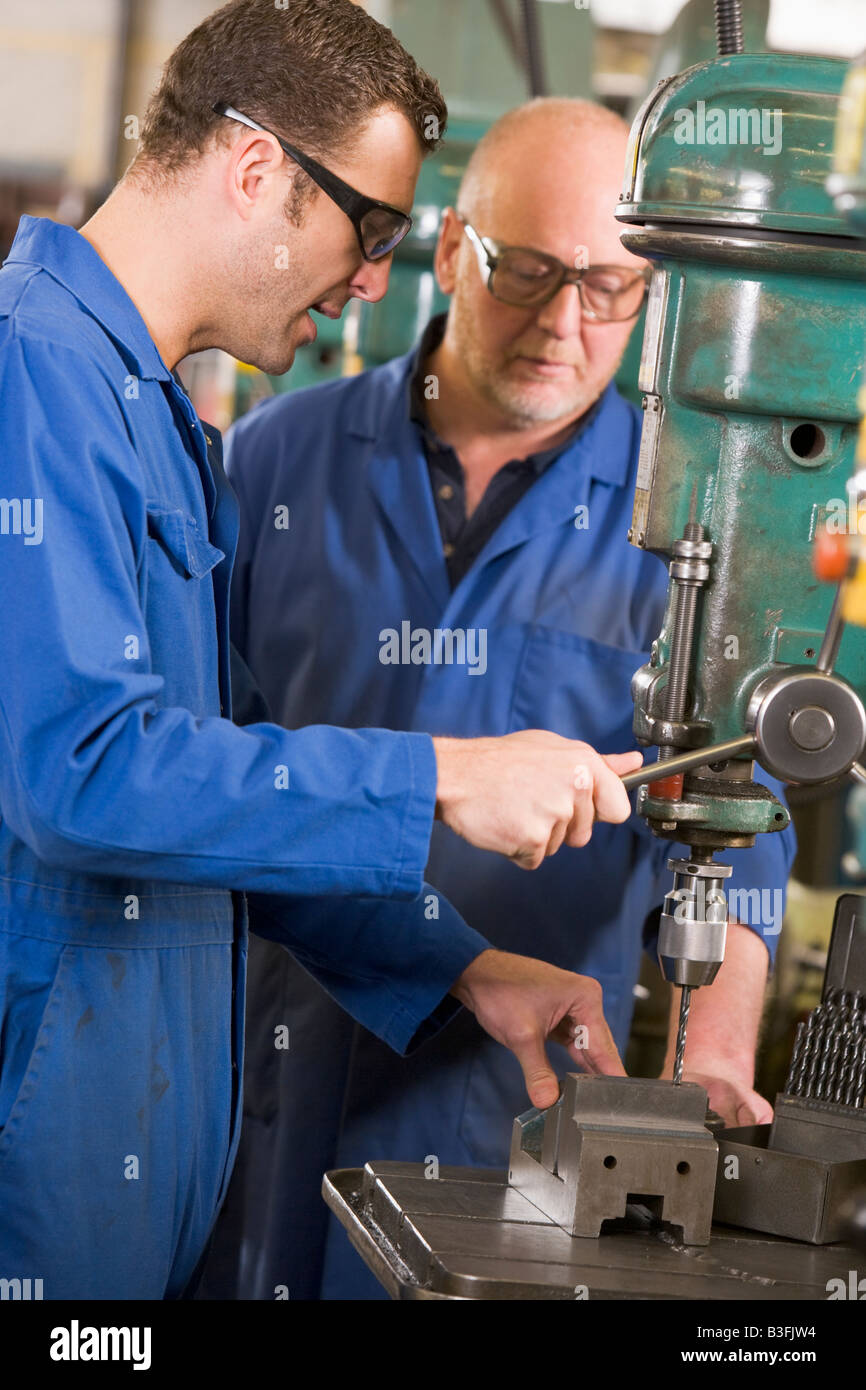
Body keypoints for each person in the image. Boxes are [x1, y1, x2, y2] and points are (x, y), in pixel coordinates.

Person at [0, 3, 643, 1301]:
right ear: (254, 170)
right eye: (374, 232)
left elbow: (225, 794)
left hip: (134, 1203)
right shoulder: (32, 373)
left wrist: (457, 961)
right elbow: (80, 772)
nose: (370, 283)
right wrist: (440, 775)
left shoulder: (154, 421)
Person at [202, 96, 796, 1300]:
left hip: (503, 1100)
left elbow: (742, 821)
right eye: (524, 271)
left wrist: (718, 1056)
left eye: (608, 287)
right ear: (450, 243)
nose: (562, 323)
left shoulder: (683, 526)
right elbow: (190, 756)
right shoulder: (275, 459)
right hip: (259, 1057)